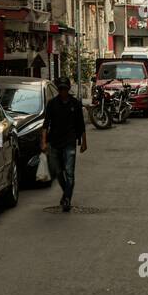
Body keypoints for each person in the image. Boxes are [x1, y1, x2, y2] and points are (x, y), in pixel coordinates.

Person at [41, 77, 87, 212]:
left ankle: (67, 198)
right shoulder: (52, 104)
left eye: (65, 89)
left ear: (68, 89)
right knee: (58, 172)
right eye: (60, 89)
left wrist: (84, 141)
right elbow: (46, 124)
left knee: (70, 172)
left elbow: (81, 125)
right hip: (55, 142)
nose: (63, 92)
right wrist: (44, 142)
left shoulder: (75, 104)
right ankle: (66, 192)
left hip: (70, 142)